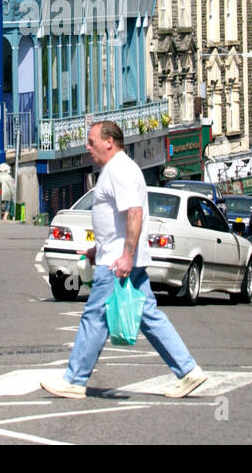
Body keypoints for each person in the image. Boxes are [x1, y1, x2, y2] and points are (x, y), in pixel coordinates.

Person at [41, 120, 208, 400]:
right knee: (148, 316)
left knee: (94, 317)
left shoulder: (119, 170)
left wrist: (126, 255)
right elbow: (117, 220)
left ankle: (74, 379)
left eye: (91, 142)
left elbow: (134, 213)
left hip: (118, 263)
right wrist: (99, 248)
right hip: (117, 256)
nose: (88, 147)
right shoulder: (117, 168)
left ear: (109, 142)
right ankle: (188, 371)